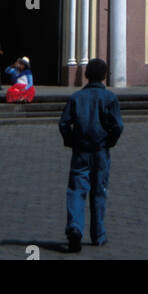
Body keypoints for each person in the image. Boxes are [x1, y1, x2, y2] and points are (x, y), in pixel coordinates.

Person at [58, 58, 123, 251]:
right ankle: (98, 234)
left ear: (86, 75)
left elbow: (63, 123)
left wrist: (70, 140)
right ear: (105, 76)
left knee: (77, 190)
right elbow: (118, 125)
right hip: (101, 151)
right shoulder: (110, 98)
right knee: (99, 191)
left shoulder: (76, 97)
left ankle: (75, 227)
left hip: (81, 150)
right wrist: (110, 141)